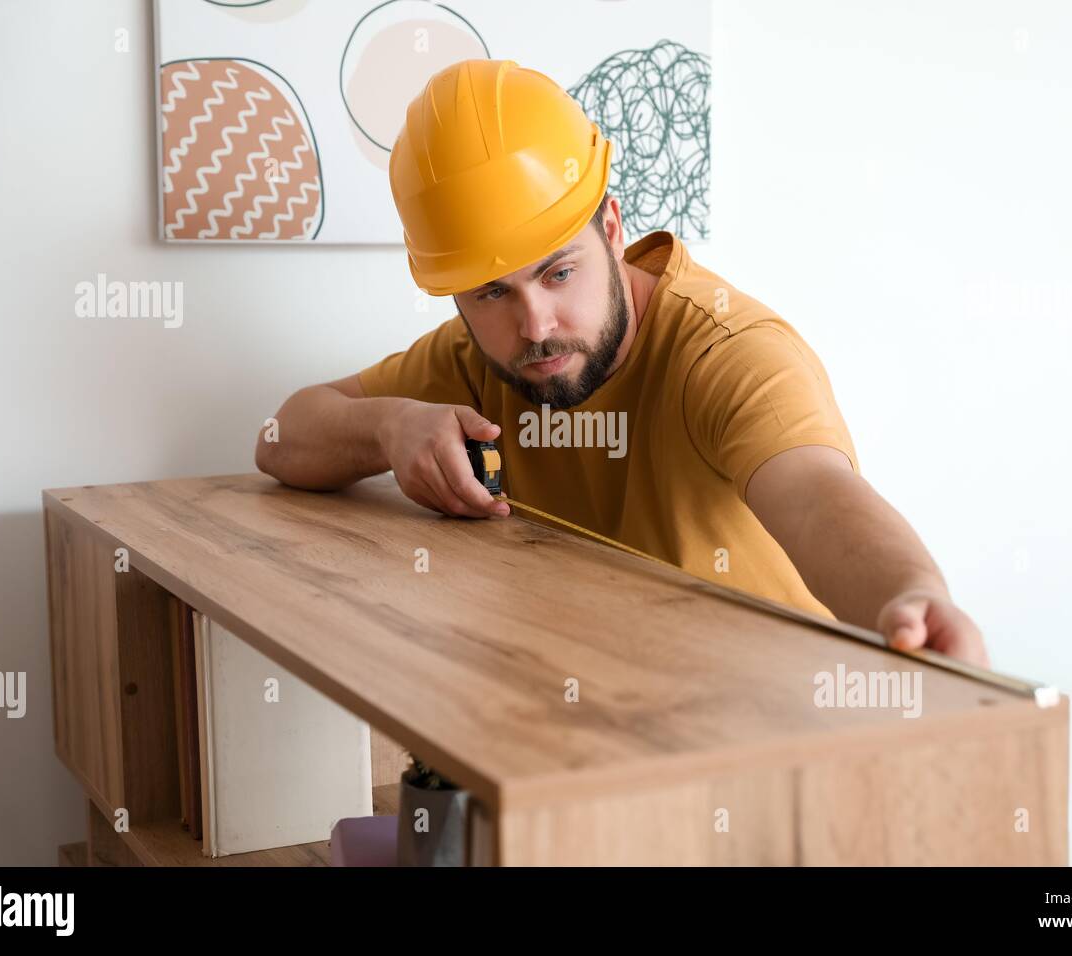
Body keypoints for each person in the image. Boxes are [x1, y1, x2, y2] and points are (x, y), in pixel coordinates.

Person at [257, 58, 989, 667]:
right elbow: (279, 436)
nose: (535, 326)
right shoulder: (474, 357)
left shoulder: (725, 350)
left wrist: (911, 593)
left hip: (758, 746)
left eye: (558, 273)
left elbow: (814, 493)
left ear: (610, 226)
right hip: (577, 722)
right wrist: (390, 428)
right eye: (491, 292)